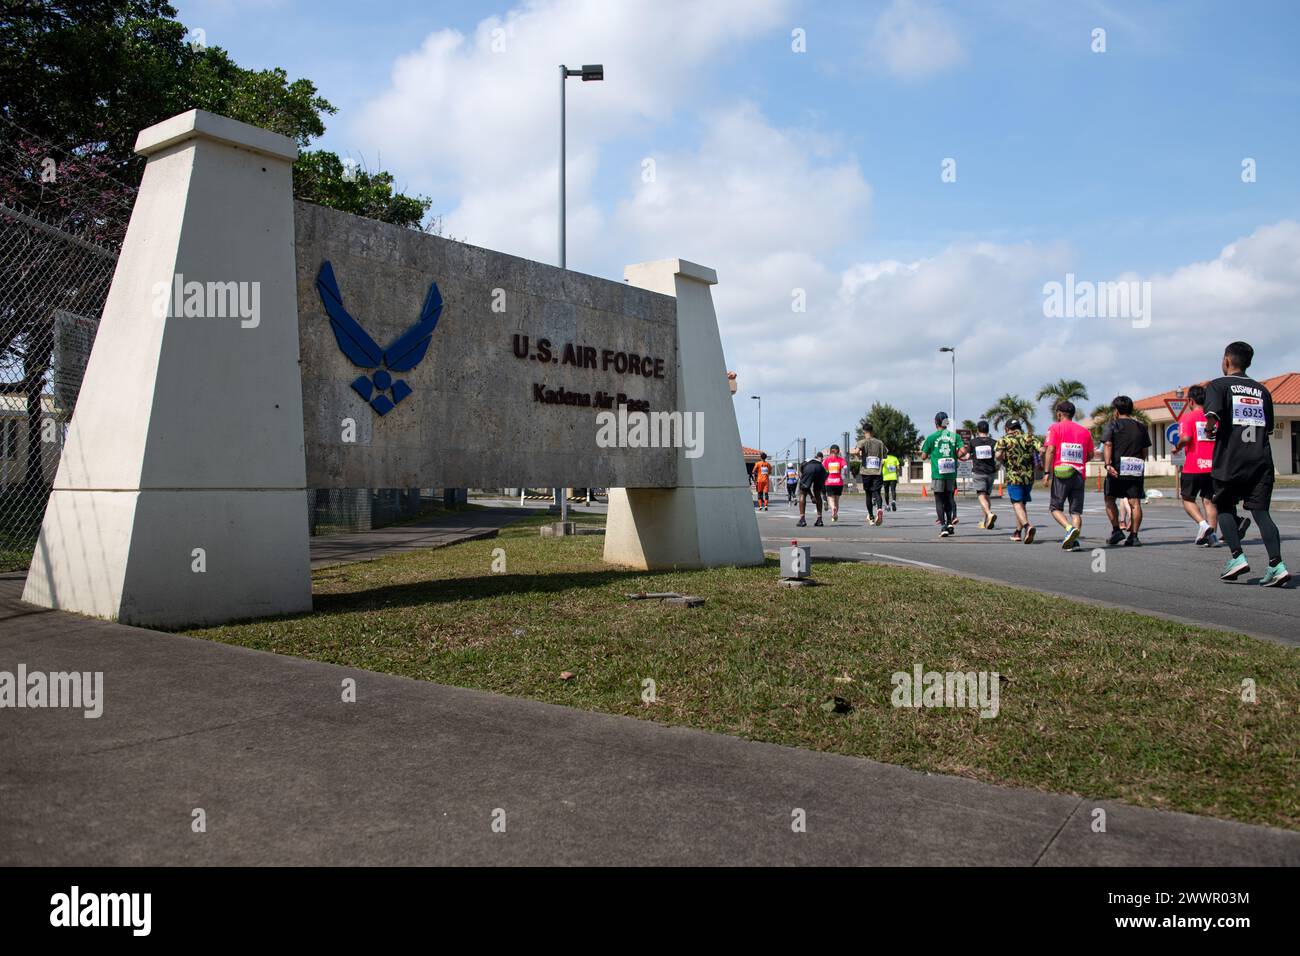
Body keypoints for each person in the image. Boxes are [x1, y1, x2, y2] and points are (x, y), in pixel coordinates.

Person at [1203, 341, 1289, 585]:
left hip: (1231, 459)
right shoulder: (1263, 391)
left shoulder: (1218, 385)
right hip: (1261, 460)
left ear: (1227, 360)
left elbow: (1212, 415)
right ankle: (1276, 564)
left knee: (1224, 506)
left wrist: (1210, 429)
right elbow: (1269, 427)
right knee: (1262, 513)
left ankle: (1237, 556)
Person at [1041, 400, 1094, 550]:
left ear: (1059, 414)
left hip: (1062, 473)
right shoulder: (1084, 431)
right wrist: (1079, 462)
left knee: (1055, 507)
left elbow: (1050, 450)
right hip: (1079, 474)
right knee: (1075, 511)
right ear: (1073, 414)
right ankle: (1075, 541)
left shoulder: (1055, 428)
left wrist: (1046, 473)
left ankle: (1069, 529)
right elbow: (1090, 454)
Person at [1101, 395, 1151, 547]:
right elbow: (1144, 451)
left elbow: (1108, 444)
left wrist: (1108, 464)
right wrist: (1140, 462)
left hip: (1116, 467)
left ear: (1116, 410)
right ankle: (1134, 536)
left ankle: (1117, 530)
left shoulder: (1113, 425)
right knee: (1135, 502)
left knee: (1109, 498)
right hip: (1135, 466)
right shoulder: (1141, 427)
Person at [1175, 384, 1218, 547]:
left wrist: (1177, 447)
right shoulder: (1213, 418)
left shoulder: (1188, 417)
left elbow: (1185, 438)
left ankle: (1203, 524)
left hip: (1193, 466)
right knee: (1210, 502)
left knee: (1187, 499)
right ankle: (1212, 538)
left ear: (1190, 401)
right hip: (1212, 466)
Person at [920, 413, 967, 537]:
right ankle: (950, 522)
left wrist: (931, 454)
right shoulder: (955, 436)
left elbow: (923, 456)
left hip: (938, 473)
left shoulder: (931, 438)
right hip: (951, 474)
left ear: (936, 422)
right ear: (947, 423)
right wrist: (955, 455)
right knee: (949, 498)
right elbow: (963, 452)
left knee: (939, 500)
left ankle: (943, 526)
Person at [994, 418, 1041, 543]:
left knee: (1016, 503)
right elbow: (1042, 449)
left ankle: (1027, 526)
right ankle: (1018, 532)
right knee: (1021, 505)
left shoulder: (1004, 439)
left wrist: (1003, 458)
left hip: (1014, 476)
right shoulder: (1030, 437)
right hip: (1028, 477)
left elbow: (998, 456)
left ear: (1007, 428)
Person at [969, 420, 998, 529]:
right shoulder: (994, 442)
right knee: (987, 496)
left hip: (978, 472)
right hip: (990, 473)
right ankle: (986, 521)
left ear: (977, 430)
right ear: (988, 430)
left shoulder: (973, 442)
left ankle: (989, 514)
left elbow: (967, 456)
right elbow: (998, 456)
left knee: (981, 495)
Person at [857, 424, 888, 526]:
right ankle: (879, 509)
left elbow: (857, 451)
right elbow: (885, 454)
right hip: (877, 471)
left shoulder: (862, 442)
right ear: (872, 431)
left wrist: (859, 454)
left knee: (868, 495)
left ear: (864, 432)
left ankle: (871, 516)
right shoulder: (880, 442)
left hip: (866, 472)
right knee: (877, 492)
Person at [796, 452, 828, 528]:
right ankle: (819, 520)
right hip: (821, 469)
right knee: (817, 493)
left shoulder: (803, 465)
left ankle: (802, 519)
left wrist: (811, 496)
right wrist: (813, 496)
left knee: (802, 493)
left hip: (809, 469)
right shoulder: (819, 462)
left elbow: (805, 487)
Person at [822, 444, 849, 523]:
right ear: (839, 451)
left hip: (829, 482)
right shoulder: (841, 459)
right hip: (838, 482)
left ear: (830, 451)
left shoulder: (827, 460)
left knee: (830, 498)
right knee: (837, 500)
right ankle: (835, 514)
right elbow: (845, 467)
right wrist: (845, 472)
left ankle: (833, 508)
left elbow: (822, 468)